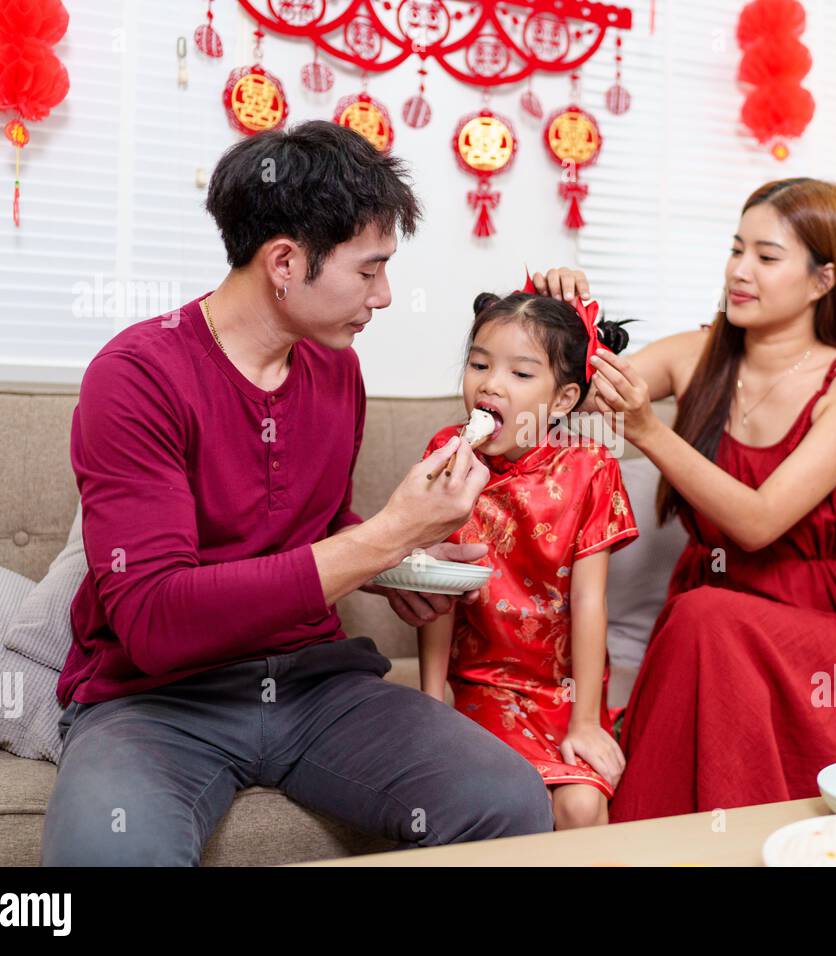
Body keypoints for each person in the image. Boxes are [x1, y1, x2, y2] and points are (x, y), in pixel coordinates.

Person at [41, 121, 575, 865]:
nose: (384, 296)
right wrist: (384, 537)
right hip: (158, 700)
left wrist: (397, 566)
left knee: (508, 799)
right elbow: (155, 620)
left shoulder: (336, 368)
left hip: (314, 685)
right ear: (286, 263)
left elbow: (314, 526)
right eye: (369, 270)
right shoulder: (137, 377)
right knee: (107, 853)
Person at [533, 177, 836, 821]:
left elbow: (758, 523)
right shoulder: (696, 353)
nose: (739, 271)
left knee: (704, 616)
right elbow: (571, 397)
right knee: (703, 616)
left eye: (766, 256)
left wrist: (649, 430)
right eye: (736, 249)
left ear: (823, 280)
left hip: (813, 630)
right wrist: (562, 320)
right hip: (705, 615)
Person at [416, 283, 638, 829]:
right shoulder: (448, 454)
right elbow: (437, 587)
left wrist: (585, 722)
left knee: (582, 806)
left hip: (565, 692)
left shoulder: (590, 467)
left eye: (520, 373)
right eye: (479, 365)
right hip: (483, 683)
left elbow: (589, 601)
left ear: (561, 400)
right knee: (516, 801)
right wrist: (430, 702)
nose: (491, 384)